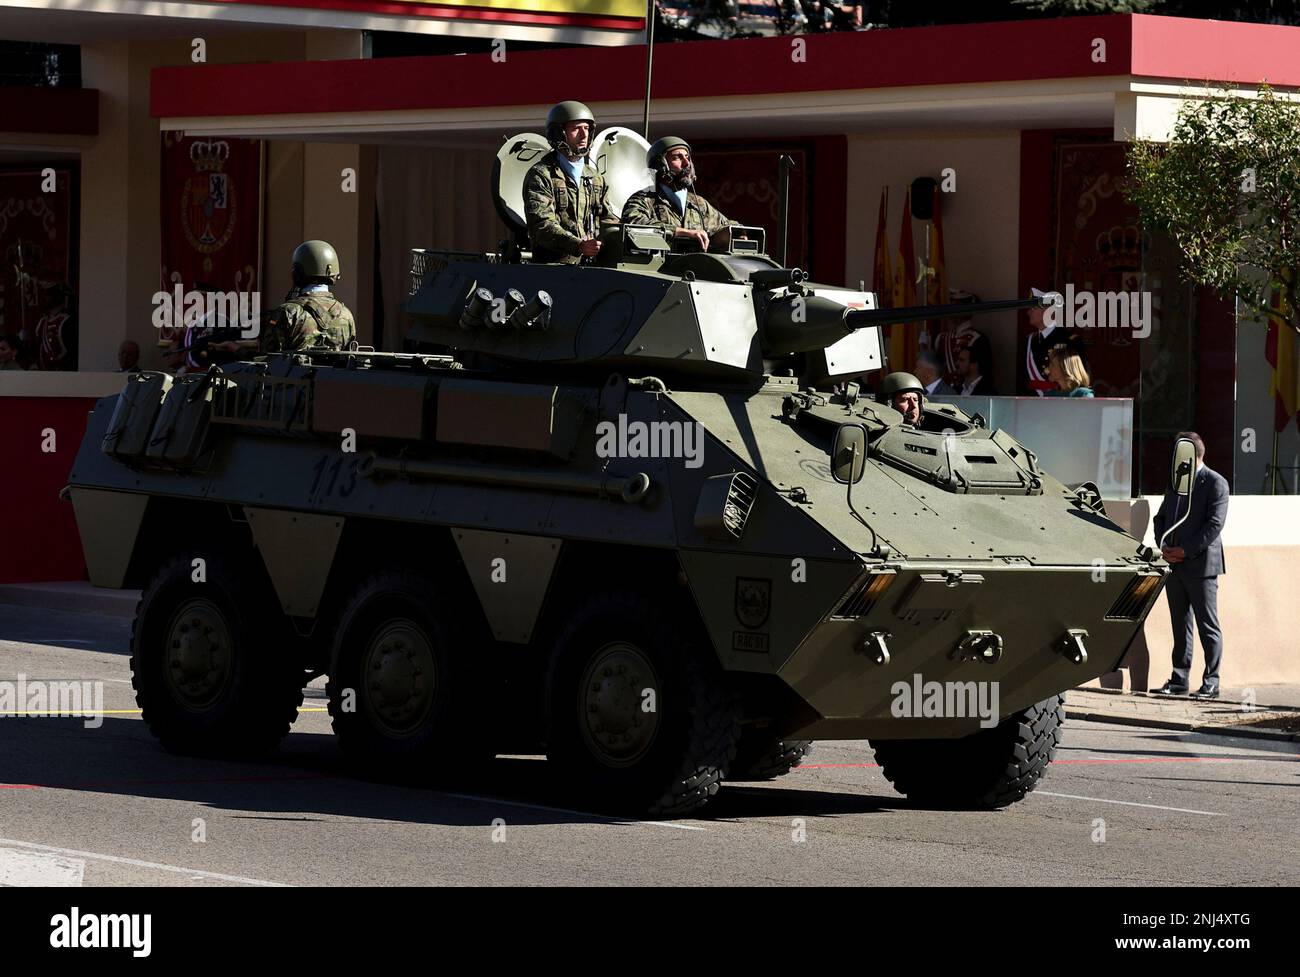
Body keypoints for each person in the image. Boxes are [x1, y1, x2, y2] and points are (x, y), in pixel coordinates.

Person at [1152, 431, 1229, 699]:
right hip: (1174, 565)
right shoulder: (1176, 482)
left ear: (1194, 454)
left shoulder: (1216, 482)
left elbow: (1214, 525)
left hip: (1201, 566)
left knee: (1208, 625)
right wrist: (1163, 546)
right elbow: (1161, 516)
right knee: (1180, 624)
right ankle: (1179, 679)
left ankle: (1211, 681)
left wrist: (1186, 550)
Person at [523, 100, 617, 265]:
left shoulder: (595, 177)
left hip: (590, 268)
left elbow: (608, 222)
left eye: (587, 129)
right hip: (552, 269)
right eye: (575, 129)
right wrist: (578, 245)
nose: (584, 135)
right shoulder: (542, 174)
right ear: (558, 133)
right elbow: (542, 225)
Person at [621, 136, 737, 252]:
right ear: (660, 165)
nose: (687, 163)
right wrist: (681, 232)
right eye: (677, 157)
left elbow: (726, 226)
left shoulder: (698, 203)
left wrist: (740, 234)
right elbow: (633, 222)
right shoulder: (644, 199)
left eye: (687, 157)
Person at [248, 241, 357, 355]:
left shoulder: (287, 313)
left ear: (297, 274)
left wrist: (238, 350)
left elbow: (267, 360)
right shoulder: (346, 315)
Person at [1025, 286, 1062, 396]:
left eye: (1033, 308)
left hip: (1056, 404)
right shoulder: (1030, 340)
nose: (1028, 312)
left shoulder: (1064, 339)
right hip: (1030, 404)